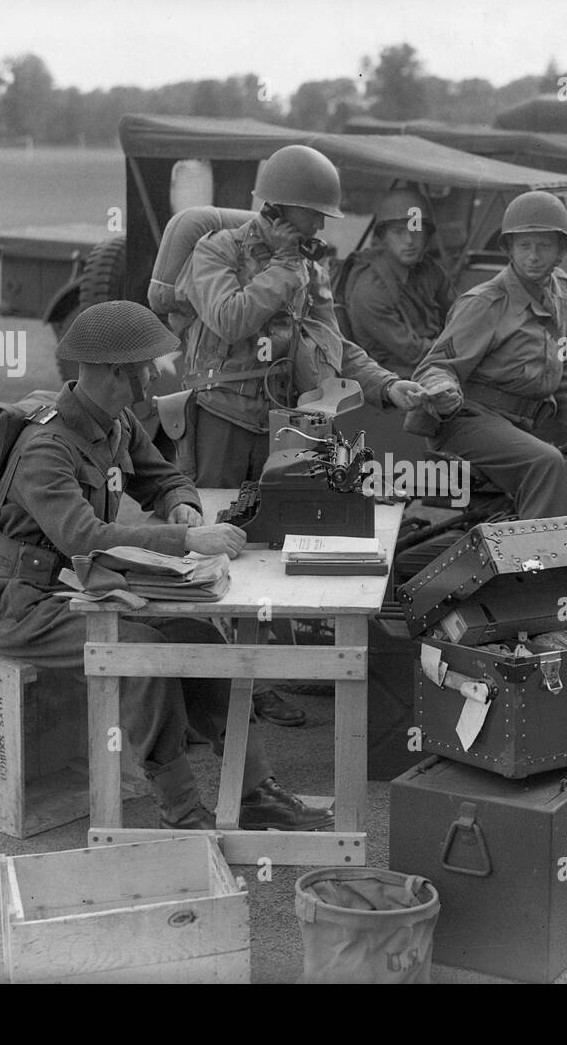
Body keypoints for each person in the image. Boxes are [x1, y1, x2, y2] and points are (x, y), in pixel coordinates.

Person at [0, 300, 332, 832]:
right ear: (113, 373)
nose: (151, 377)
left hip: (81, 592)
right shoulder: (46, 448)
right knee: (145, 659)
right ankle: (183, 813)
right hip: (22, 606)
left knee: (203, 642)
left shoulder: (112, 422)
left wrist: (180, 503)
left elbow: (164, 477)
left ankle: (257, 792)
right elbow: (84, 536)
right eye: (142, 368)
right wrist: (189, 535)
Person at [178, 145, 425, 726]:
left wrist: (389, 386)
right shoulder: (216, 250)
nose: (321, 227)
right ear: (283, 208)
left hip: (280, 429)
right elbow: (230, 318)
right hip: (218, 419)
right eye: (316, 215)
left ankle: (253, 683)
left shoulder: (310, 268)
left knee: (266, 552)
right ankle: (202, 693)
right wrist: (284, 271)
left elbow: (335, 348)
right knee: (213, 549)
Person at [407, 191, 567, 520]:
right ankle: (543, 563)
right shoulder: (486, 302)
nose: (532, 256)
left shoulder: (563, 293)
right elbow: (436, 366)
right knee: (545, 463)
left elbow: (566, 371)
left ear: (561, 250)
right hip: (469, 421)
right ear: (509, 250)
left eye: (543, 246)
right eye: (523, 246)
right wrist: (442, 390)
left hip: (526, 423)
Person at [344, 187, 456, 378]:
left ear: (427, 235)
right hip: (393, 379)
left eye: (416, 230)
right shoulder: (370, 290)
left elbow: (459, 314)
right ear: (383, 237)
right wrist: (463, 348)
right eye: (398, 232)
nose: (409, 240)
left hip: (436, 362)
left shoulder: (429, 271)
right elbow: (412, 352)